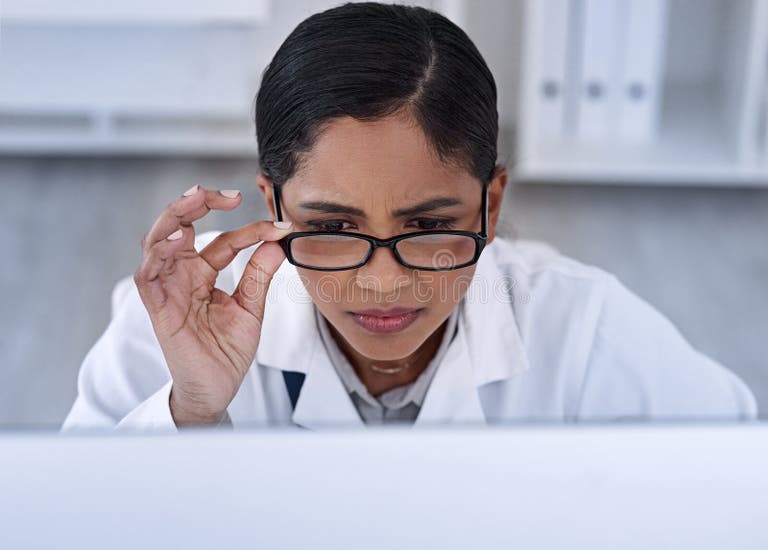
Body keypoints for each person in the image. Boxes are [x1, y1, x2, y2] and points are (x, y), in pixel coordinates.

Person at [61, 2, 756, 432]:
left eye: (427, 228)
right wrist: (188, 410)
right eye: (333, 229)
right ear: (274, 206)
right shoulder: (180, 317)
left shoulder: (582, 330)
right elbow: (73, 521)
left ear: (491, 202)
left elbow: (734, 478)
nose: (384, 284)